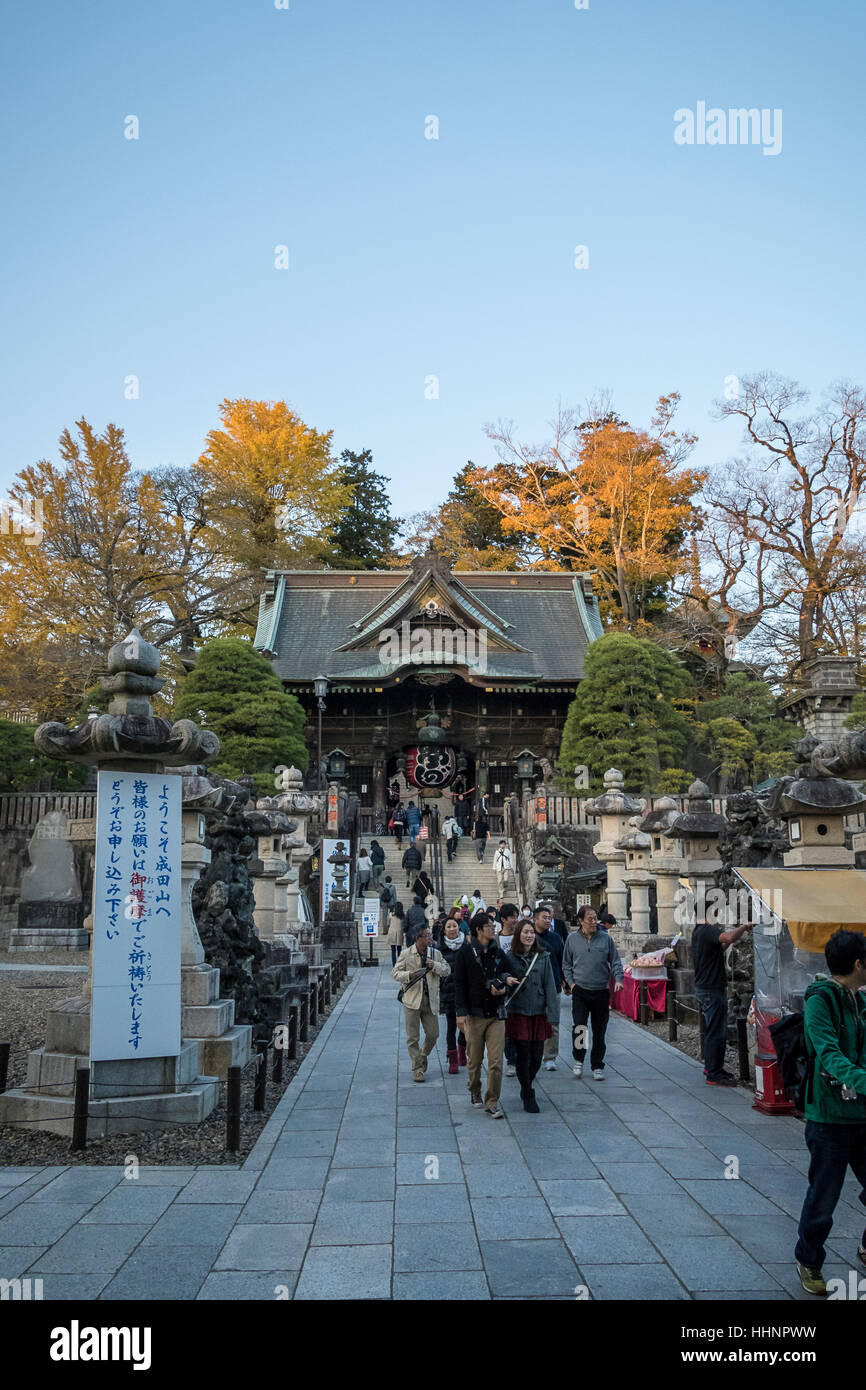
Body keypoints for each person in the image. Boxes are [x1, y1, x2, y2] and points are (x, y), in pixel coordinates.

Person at [794, 929, 866, 1296]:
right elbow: (829, 1054)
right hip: (828, 1116)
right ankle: (809, 1259)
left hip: (862, 1114)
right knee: (824, 1194)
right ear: (858, 964)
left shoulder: (859, 1000)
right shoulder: (820, 1001)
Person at [453, 912, 517, 1117]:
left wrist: (504, 986)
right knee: (474, 1059)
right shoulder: (465, 953)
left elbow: (509, 972)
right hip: (474, 1013)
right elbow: (459, 984)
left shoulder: (498, 951)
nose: (493, 928)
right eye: (489, 926)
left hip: (497, 1013)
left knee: (496, 1061)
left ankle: (492, 1100)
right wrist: (460, 1013)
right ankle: (474, 1089)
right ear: (479, 930)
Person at [692, 907, 754, 1087]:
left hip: (705, 987)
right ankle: (714, 1072)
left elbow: (719, 947)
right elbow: (728, 937)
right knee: (716, 1032)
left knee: (713, 1029)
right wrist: (743, 927)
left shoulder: (699, 932)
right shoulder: (707, 930)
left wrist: (732, 939)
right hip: (712, 988)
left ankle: (712, 1066)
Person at [503, 919, 560, 1111]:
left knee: (536, 1056)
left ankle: (527, 1083)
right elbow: (500, 977)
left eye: (531, 932)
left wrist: (553, 1014)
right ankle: (528, 1092)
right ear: (518, 934)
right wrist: (505, 979)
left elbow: (550, 986)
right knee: (523, 1054)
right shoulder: (510, 957)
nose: (529, 935)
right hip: (518, 1011)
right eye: (525, 932)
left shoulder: (543, 957)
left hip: (538, 1009)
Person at [562, 904, 624, 1079]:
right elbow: (566, 964)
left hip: (601, 990)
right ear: (580, 920)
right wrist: (571, 983)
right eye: (589, 918)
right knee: (580, 1027)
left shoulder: (606, 939)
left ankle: (597, 1064)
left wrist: (618, 979)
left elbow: (615, 961)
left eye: (595, 918)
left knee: (599, 1029)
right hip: (580, 990)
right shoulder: (572, 939)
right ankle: (579, 1059)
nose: (593, 921)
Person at [393, 924, 450, 1082]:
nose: (430, 938)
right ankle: (417, 1069)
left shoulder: (436, 953)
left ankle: (422, 1056)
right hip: (412, 1000)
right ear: (417, 938)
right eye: (426, 936)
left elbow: (447, 970)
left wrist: (435, 966)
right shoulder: (406, 954)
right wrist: (409, 974)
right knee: (413, 1038)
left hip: (430, 999)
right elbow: (395, 973)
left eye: (430, 935)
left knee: (433, 1034)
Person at [533, 906, 565, 1070]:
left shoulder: (556, 938)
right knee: (533, 1021)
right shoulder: (528, 936)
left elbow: (562, 961)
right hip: (533, 986)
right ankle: (533, 1054)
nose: (547, 920)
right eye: (544, 917)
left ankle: (550, 1056)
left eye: (549, 918)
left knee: (552, 1021)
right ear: (535, 919)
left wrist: (565, 981)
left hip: (554, 984)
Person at [436, 916, 469, 1072]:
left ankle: (463, 1051)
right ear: (444, 930)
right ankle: (453, 1059)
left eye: (454, 926)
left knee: (464, 1024)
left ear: (459, 927)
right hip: (447, 991)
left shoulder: (466, 946)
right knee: (450, 1026)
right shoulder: (439, 948)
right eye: (448, 926)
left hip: (464, 991)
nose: (451, 929)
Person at [496, 903, 521, 1075]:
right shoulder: (496, 940)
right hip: (504, 989)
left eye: (516, 916)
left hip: (522, 986)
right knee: (507, 1026)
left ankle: (521, 1057)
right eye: (512, 917)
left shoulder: (522, 937)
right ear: (503, 919)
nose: (515, 920)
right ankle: (511, 1059)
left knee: (521, 1023)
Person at [387, 901, 406, 966]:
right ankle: (399, 964)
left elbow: (388, 923)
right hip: (400, 933)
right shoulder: (403, 916)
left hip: (392, 933)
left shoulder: (391, 915)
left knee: (393, 950)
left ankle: (394, 965)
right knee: (399, 950)